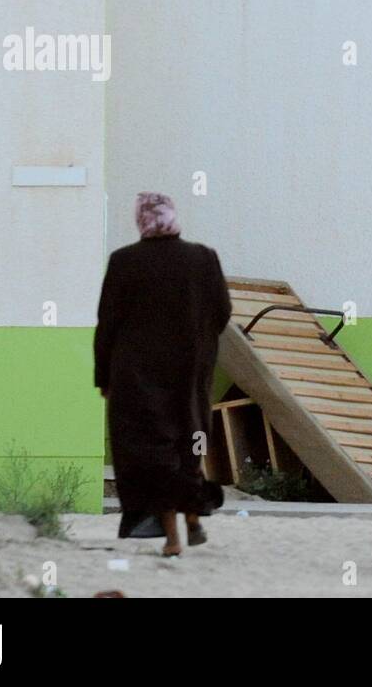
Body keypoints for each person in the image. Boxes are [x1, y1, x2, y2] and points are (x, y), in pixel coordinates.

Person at [94, 193, 232, 557]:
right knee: (192, 442)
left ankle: (171, 536)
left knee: (152, 453)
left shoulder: (124, 262)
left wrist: (103, 377)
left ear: (141, 220)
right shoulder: (204, 258)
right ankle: (192, 516)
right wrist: (198, 347)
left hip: (137, 379)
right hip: (190, 376)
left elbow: (107, 324)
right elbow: (222, 312)